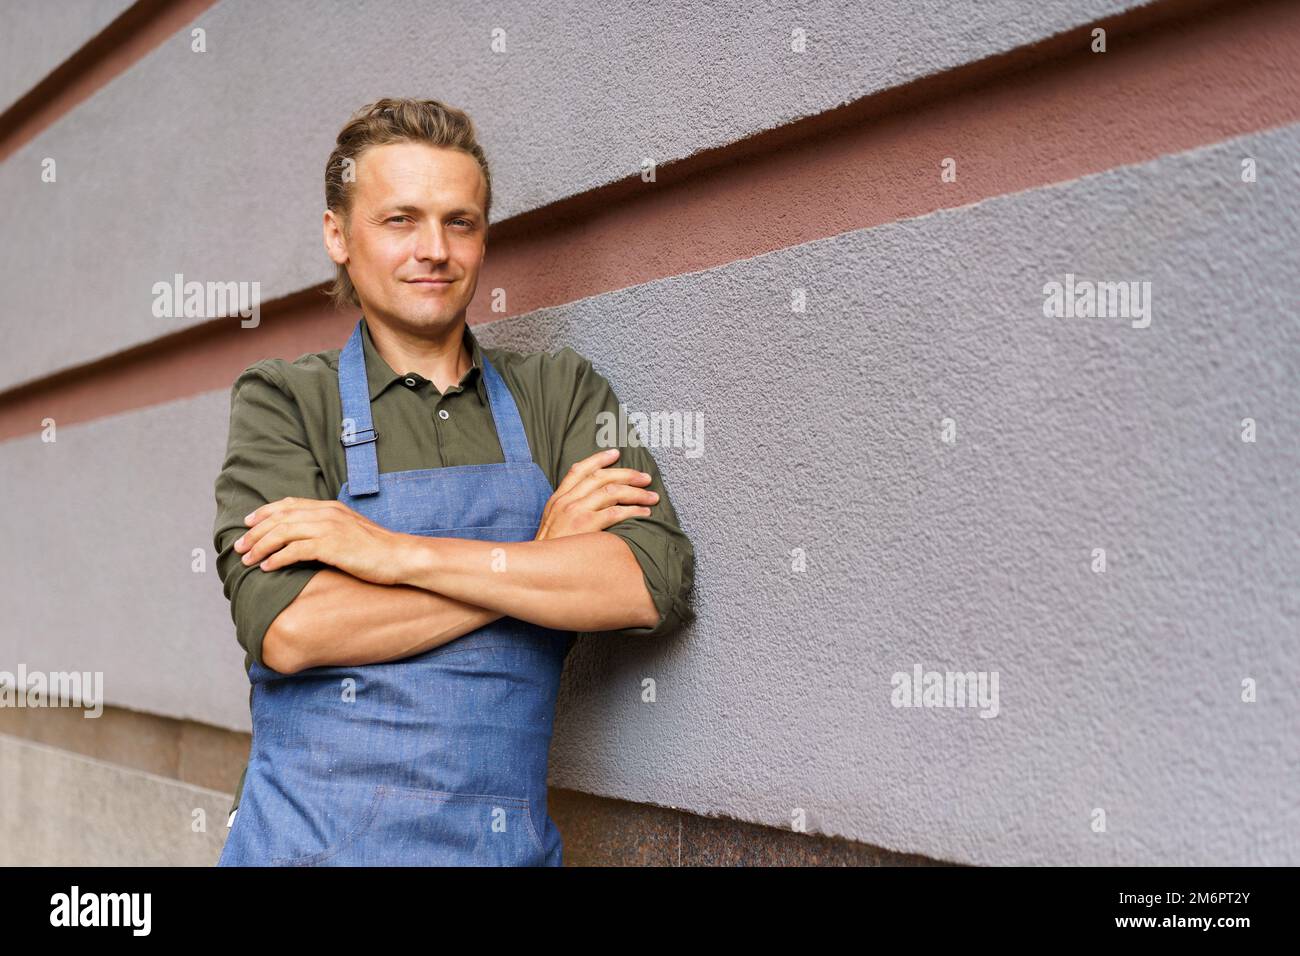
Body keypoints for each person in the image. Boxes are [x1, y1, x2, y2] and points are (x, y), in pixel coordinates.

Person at [212, 98, 695, 866]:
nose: (433, 249)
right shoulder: (283, 400)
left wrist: (390, 554)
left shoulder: (558, 393)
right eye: (399, 220)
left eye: (459, 222)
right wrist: (531, 557)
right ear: (338, 235)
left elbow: (646, 582)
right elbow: (293, 630)